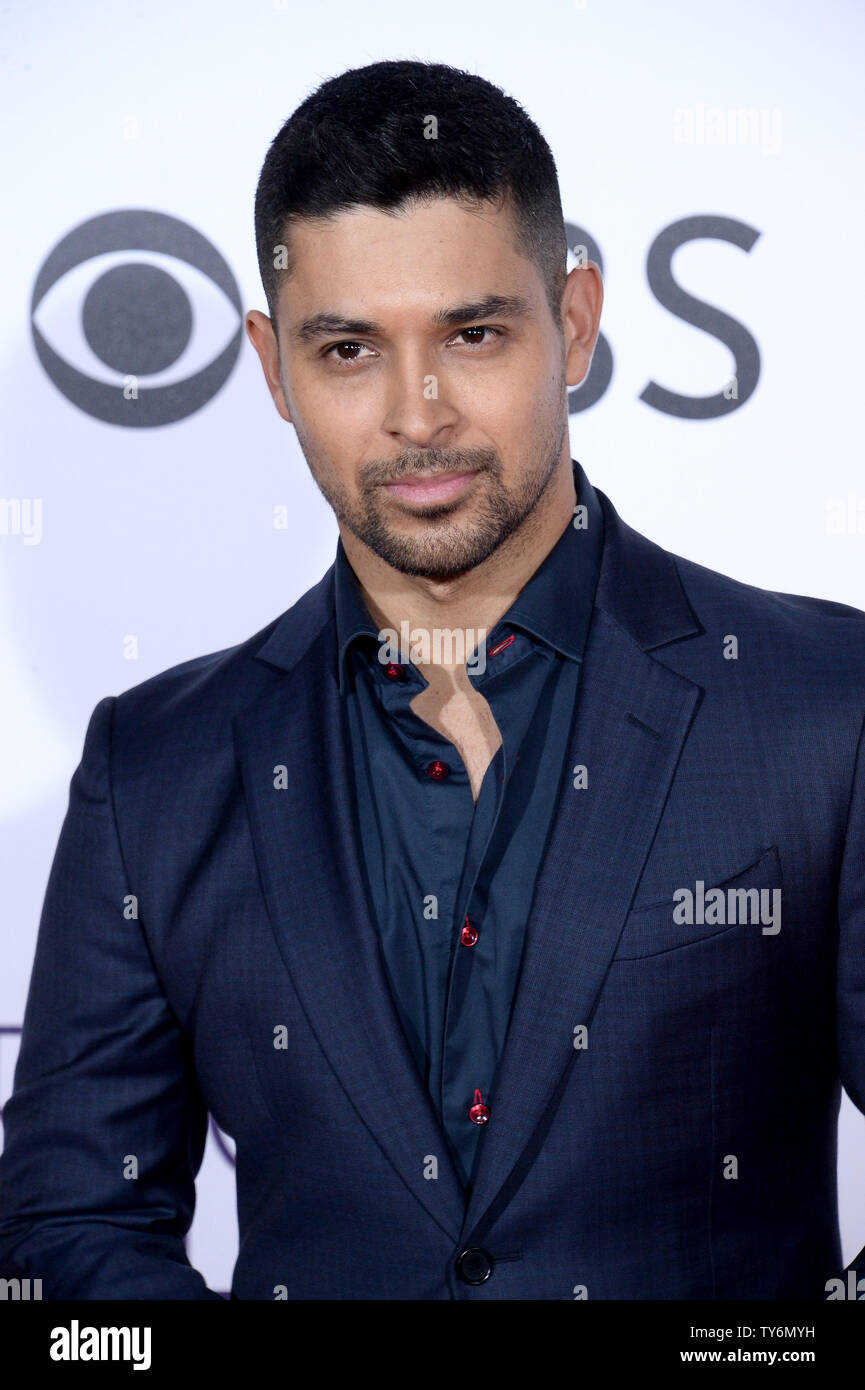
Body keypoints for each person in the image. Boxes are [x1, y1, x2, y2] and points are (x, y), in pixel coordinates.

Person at [1, 58, 864, 1300]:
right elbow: (67, 1228)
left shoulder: (818, 709)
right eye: (348, 347)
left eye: (471, 333)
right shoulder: (156, 769)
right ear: (273, 365)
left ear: (573, 323)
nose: (417, 413)